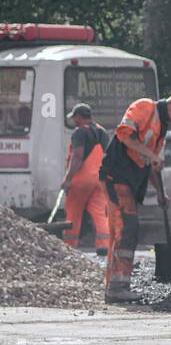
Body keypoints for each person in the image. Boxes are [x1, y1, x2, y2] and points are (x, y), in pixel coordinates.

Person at [99, 91, 171, 303]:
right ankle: (117, 287)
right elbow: (125, 134)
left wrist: (161, 194)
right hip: (115, 175)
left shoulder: (162, 128)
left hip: (131, 182)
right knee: (127, 227)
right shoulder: (145, 107)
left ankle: (115, 286)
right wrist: (152, 155)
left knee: (125, 229)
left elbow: (151, 165)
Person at [60, 103, 110, 255]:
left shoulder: (79, 133)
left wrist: (68, 179)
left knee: (73, 212)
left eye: (74, 117)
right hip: (100, 179)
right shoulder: (103, 132)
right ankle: (104, 246)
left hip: (82, 179)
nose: (74, 120)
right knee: (100, 212)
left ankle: (69, 246)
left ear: (79, 117)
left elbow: (78, 156)